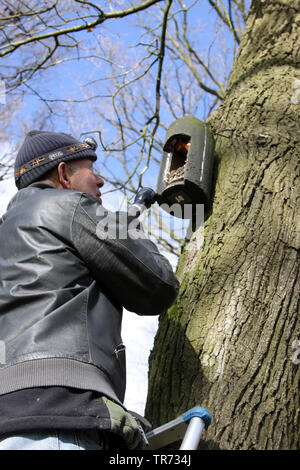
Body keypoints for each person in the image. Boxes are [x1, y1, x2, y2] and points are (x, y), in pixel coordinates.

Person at [0, 130, 179, 451]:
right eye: (90, 170)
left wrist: (124, 222)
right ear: (63, 173)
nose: (100, 182)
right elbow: (159, 284)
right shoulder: (71, 206)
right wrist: (129, 231)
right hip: (61, 414)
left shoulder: (9, 230)